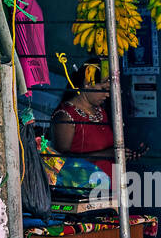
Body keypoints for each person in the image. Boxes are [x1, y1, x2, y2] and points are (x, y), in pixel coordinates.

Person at [49, 58, 124, 192]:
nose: (107, 94)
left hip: (108, 191)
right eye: (103, 89)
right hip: (82, 193)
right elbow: (61, 162)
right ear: (88, 83)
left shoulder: (101, 112)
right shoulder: (65, 115)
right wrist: (106, 154)